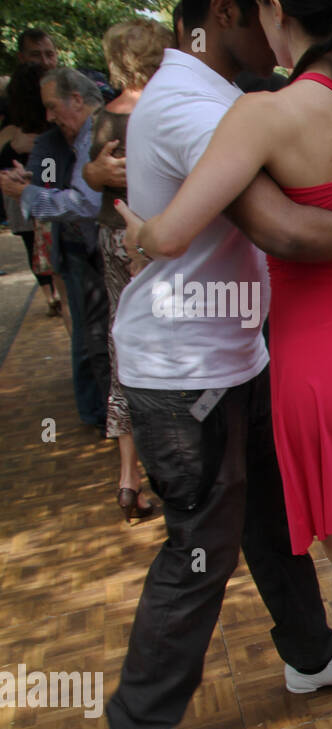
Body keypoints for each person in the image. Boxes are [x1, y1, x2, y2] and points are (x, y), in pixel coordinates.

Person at [99, 0, 332, 729]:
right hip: (182, 365)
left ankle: (310, 656)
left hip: (234, 348)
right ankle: (140, 725)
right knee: (201, 540)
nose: (276, 33)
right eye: (262, 13)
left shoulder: (233, 98)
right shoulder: (186, 104)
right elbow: (285, 228)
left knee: (275, 517)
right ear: (223, 14)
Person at [81, 17, 174, 524]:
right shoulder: (164, 114)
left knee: (125, 346)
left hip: (110, 236)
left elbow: (92, 174)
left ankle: (127, 478)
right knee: (169, 346)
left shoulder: (104, 117)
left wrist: (95, 174)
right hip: (154, 238)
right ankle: (175, 466)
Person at [1, 68, 110, 429]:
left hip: (96, 247)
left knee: (93, 334)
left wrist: (29, 193)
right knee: (88, 333)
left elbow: (85, 202)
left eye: (52, 106)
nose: (49, 116)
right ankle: (99, 410)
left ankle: (107, 413)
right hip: (80, 248)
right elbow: (51, 180)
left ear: (76, 100)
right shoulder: (58, 140)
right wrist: (31, 183)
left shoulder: (98, 132)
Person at [0, 62, 61, 317]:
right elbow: (51, 178)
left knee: (31, 245)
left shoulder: (13, 134)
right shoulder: (51, 135)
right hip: (42, 200)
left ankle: (51, 294)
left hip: (25, 199)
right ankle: (55, 292)